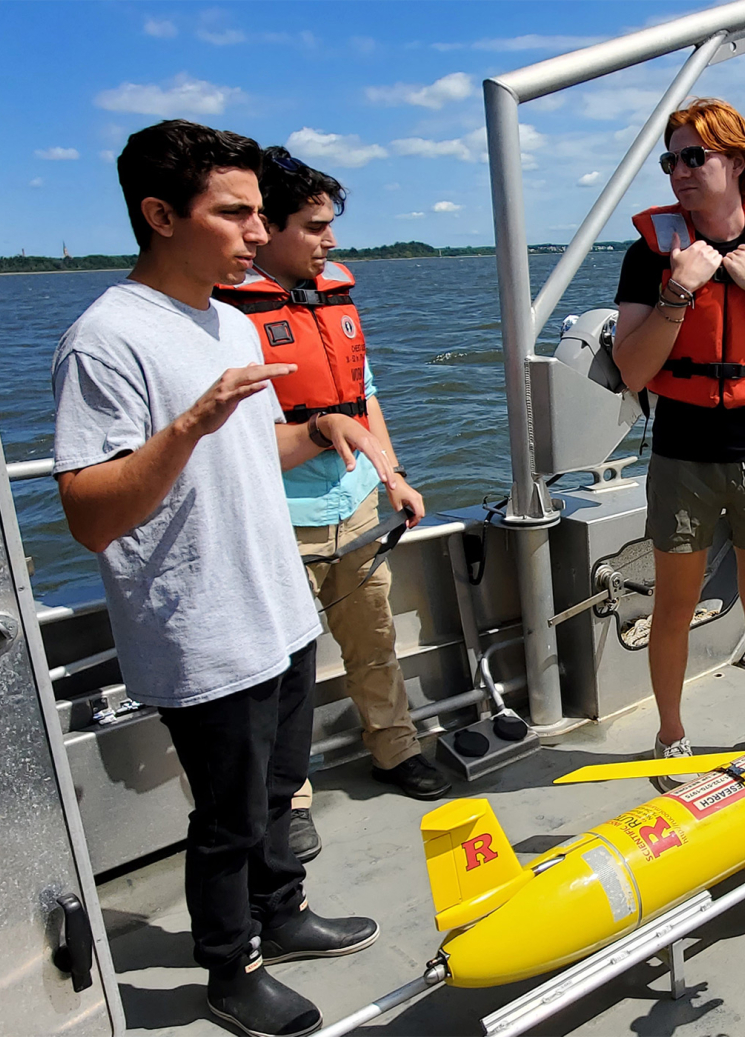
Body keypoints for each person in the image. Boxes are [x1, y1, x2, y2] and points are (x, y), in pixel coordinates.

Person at [52, 120, 399, 1037]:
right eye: (234, 212)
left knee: (282, 788)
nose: (257, 230)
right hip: (201, 627)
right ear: (160, 214)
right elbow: (90, 512)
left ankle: (280, 915)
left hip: (275, 605)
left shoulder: (230, 319)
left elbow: (245, 454)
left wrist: (315, 431)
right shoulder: (107, 340)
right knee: (229, 815)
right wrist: (189, 426)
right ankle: (230, 967)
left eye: (258, 212)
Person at [214, 148, 450, 863]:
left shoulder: (333, 299)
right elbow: (231, 441)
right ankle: (290, 799)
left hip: (353, 510)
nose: (331, 240)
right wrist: (318, 432)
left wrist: (394, 474)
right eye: (315, 226)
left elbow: (364, 395)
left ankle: (396, 749)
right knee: (281, 675)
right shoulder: (225, 318)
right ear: (270, 228)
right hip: (273, 523)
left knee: (374, 639)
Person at [611, 98, 745, 790]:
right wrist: (677, 292)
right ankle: (671, 737)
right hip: (680, 461)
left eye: (693, 157)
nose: (678, 171)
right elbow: (633, 369)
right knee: (673, 606)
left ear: (737, 161)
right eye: (670, 159)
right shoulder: (647, 257)